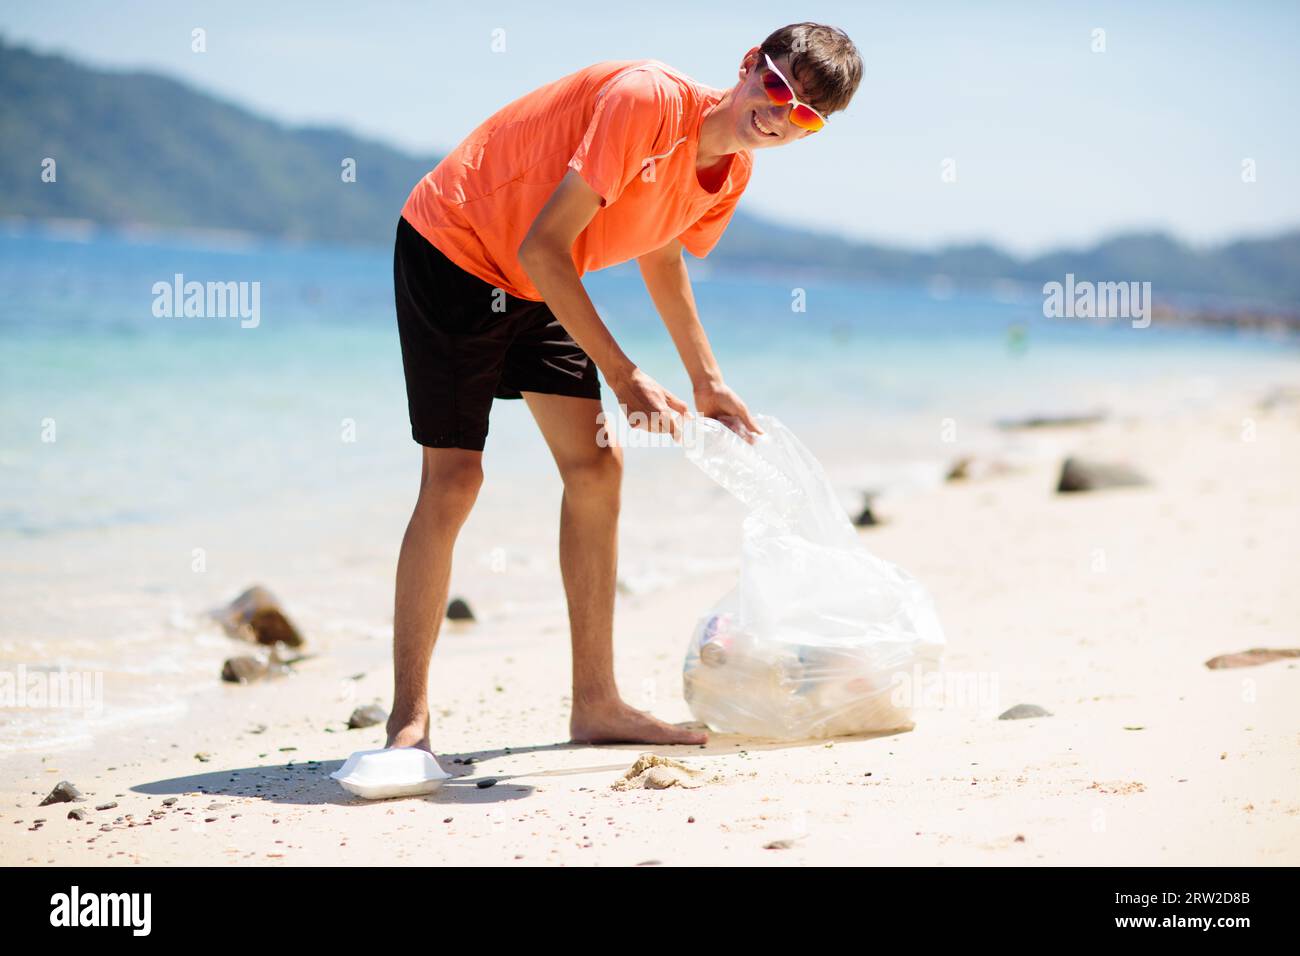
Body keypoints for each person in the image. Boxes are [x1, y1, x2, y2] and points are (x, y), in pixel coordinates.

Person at [387, 22, 863, 752]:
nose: (778, 112)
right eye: (775, 85)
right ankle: (408, 720)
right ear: (747, 64)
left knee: (596, 466)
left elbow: (662, 251)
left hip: (538, 278)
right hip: (456, 244)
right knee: (455, 479)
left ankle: (597, 705)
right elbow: (543, 246)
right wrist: (624, 371)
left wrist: (707, 381)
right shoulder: (646, 101)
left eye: (803, 113)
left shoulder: (731, 173)